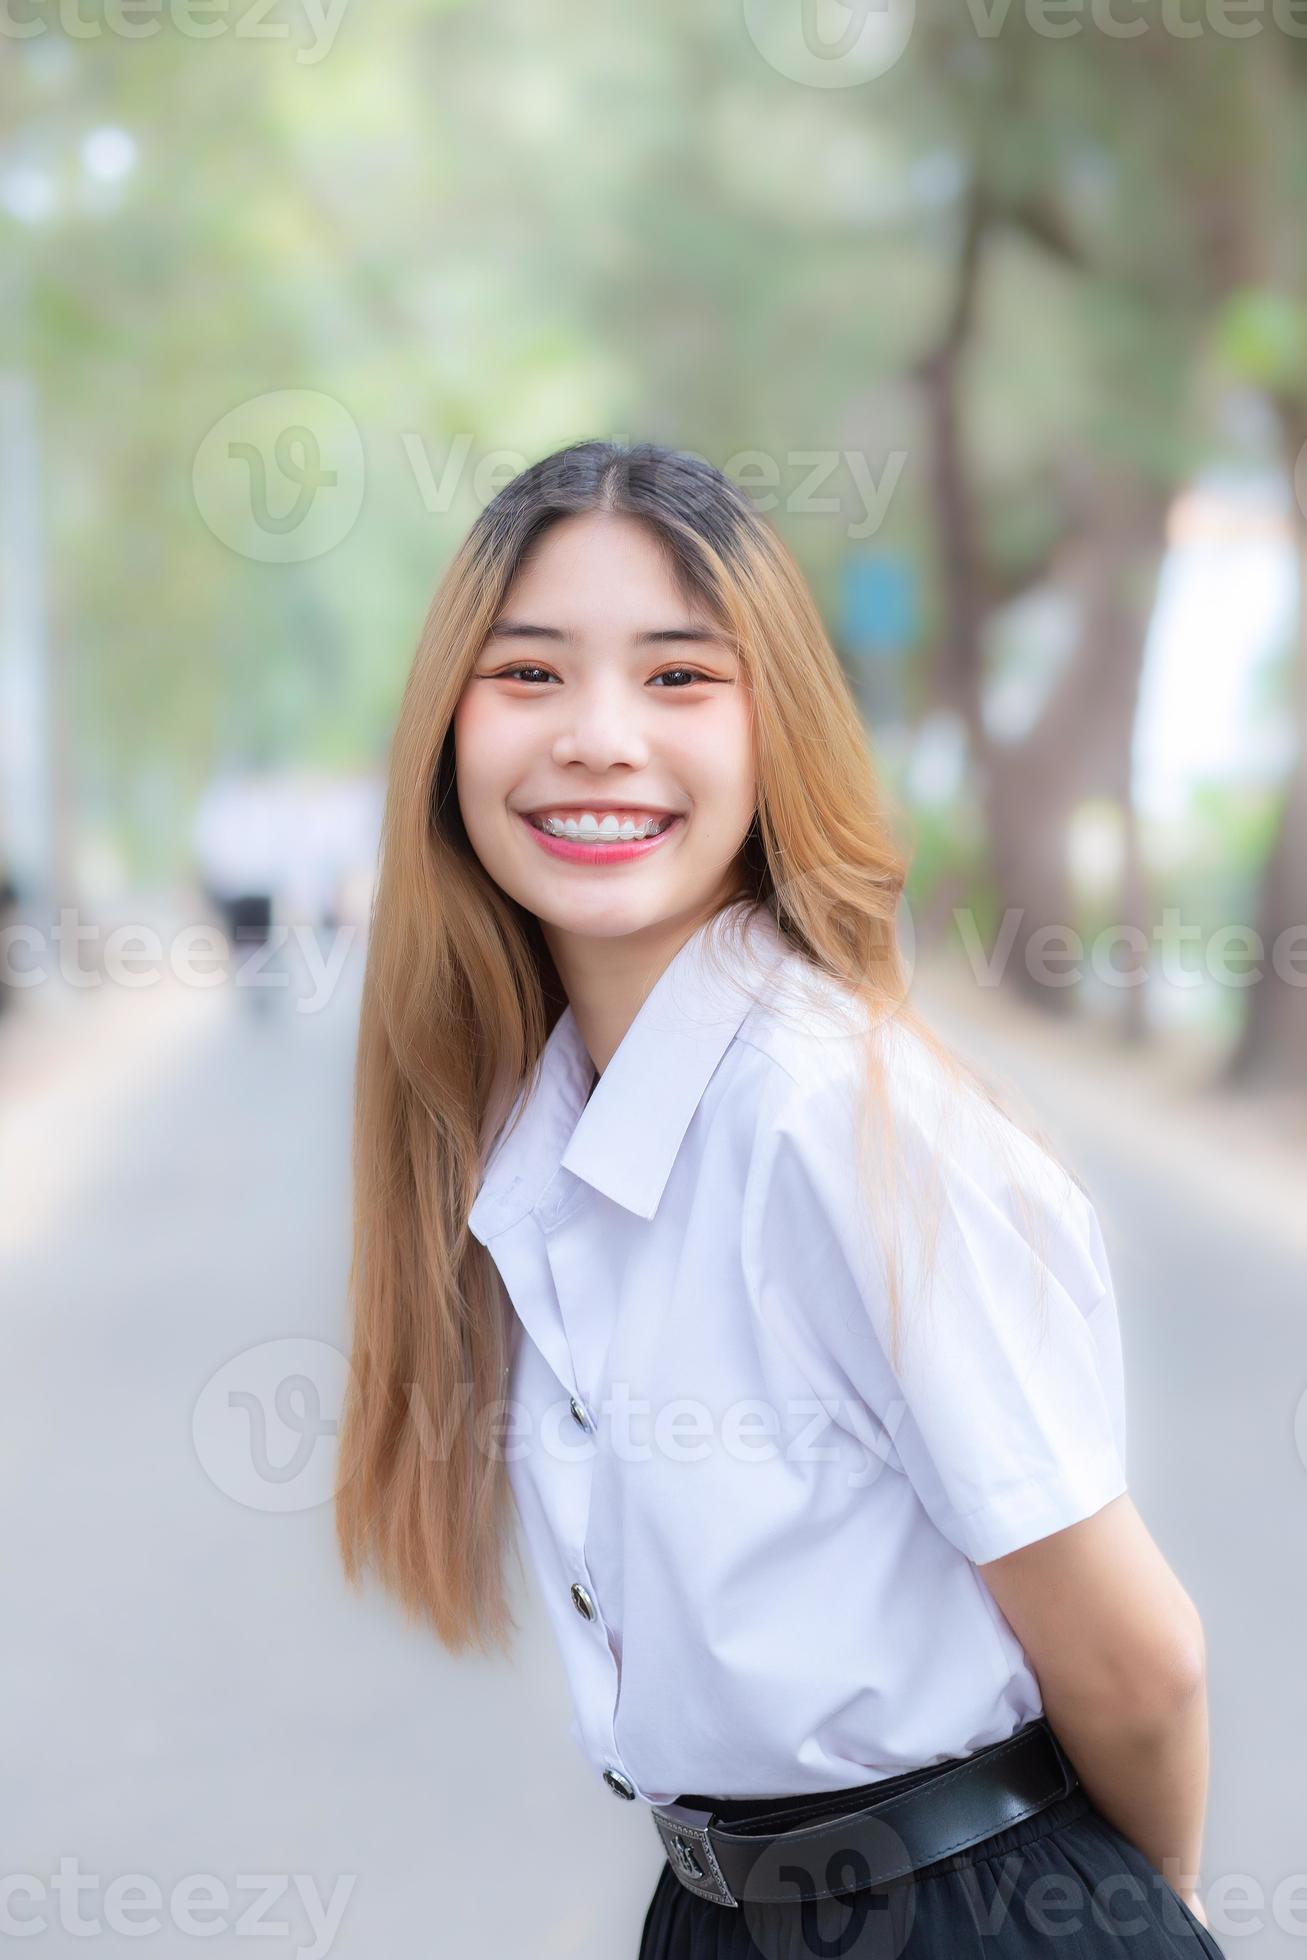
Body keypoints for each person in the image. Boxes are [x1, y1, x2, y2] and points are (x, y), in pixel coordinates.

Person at [334, 440, 1222, 1958]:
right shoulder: (543, 1131)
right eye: (529, 675)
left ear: (776, 731)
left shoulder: (832, 1121)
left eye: (682, 676)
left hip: (977, 1912)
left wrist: (1135, 1923)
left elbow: (1137, 1665)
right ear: (444, 732)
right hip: (715, 1916)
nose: (599, 739)